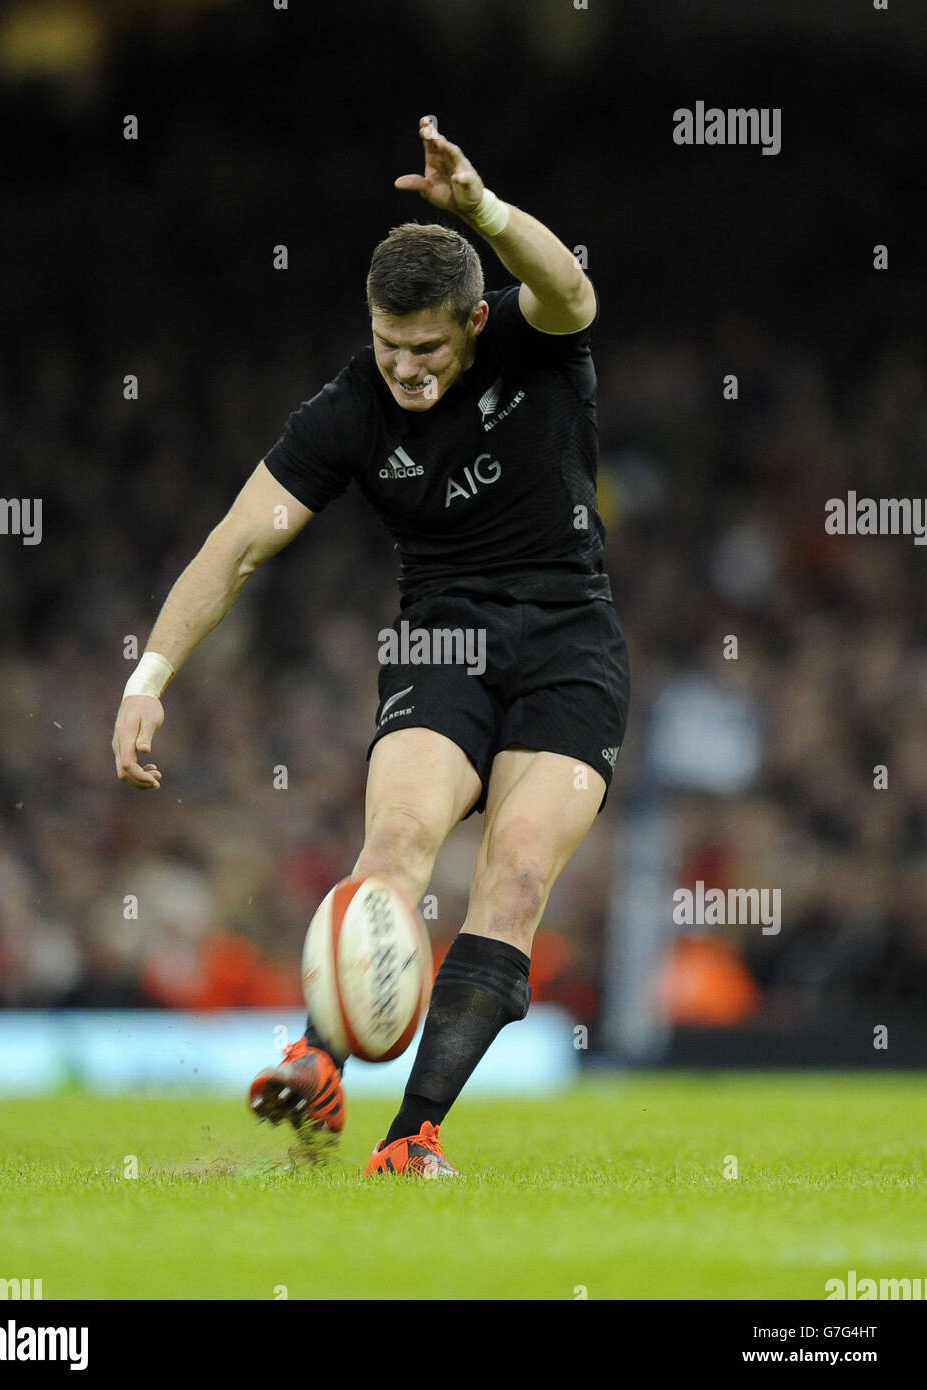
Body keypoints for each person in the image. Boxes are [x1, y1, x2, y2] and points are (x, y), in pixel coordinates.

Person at [112, 115, 629, 1177]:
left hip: (572, 640)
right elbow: (235, 546)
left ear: (475, 322)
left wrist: (483, 210)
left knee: (518, 879)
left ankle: (413, 1135)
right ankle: (317, 1058)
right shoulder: (351, 407)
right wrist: (150, 675)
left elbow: (569, 287)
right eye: (389, 346)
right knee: (395, 843)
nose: (406, 368)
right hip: (443, 638)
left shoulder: (538, 342)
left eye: (429, 349)